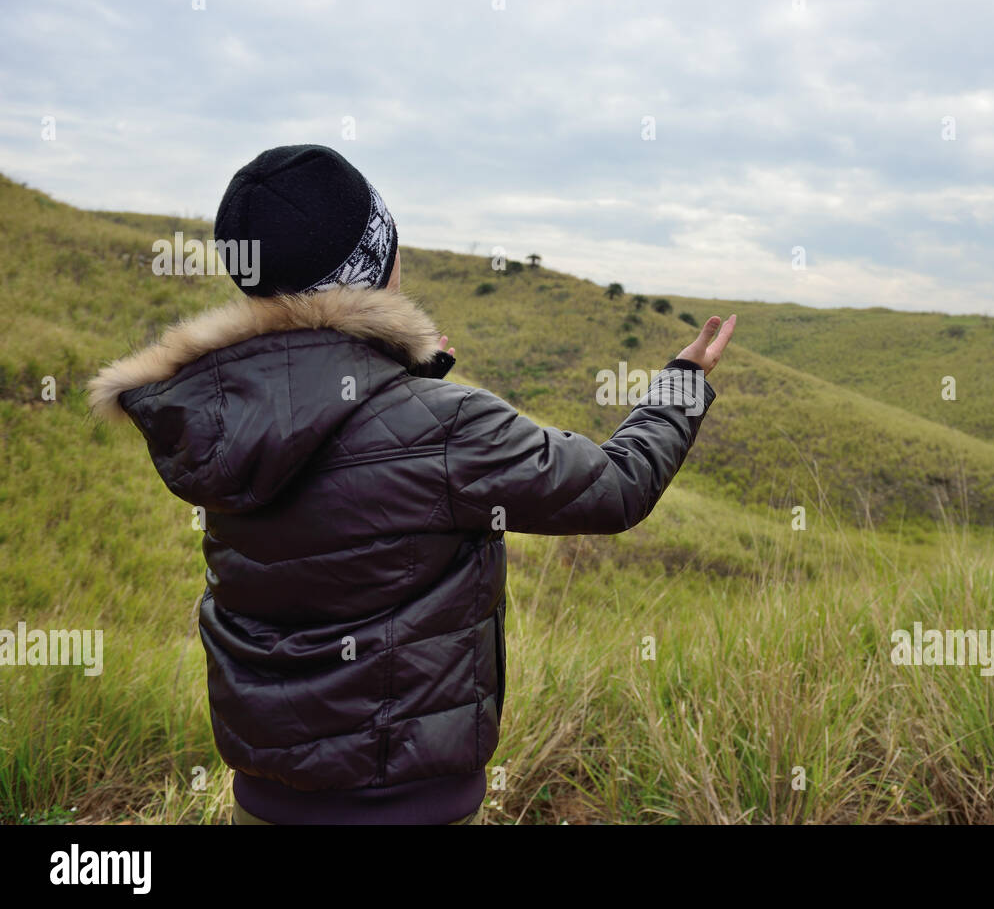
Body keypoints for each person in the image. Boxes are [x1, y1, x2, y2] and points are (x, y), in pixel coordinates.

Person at [88, 144, 735, 824]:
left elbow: (344, 474)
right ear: (374, 266)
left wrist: (404, 385)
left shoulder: (216, 419)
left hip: (263, 799)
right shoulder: (446, 427)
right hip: (410, 803)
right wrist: (680, 387)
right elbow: (616, 487)